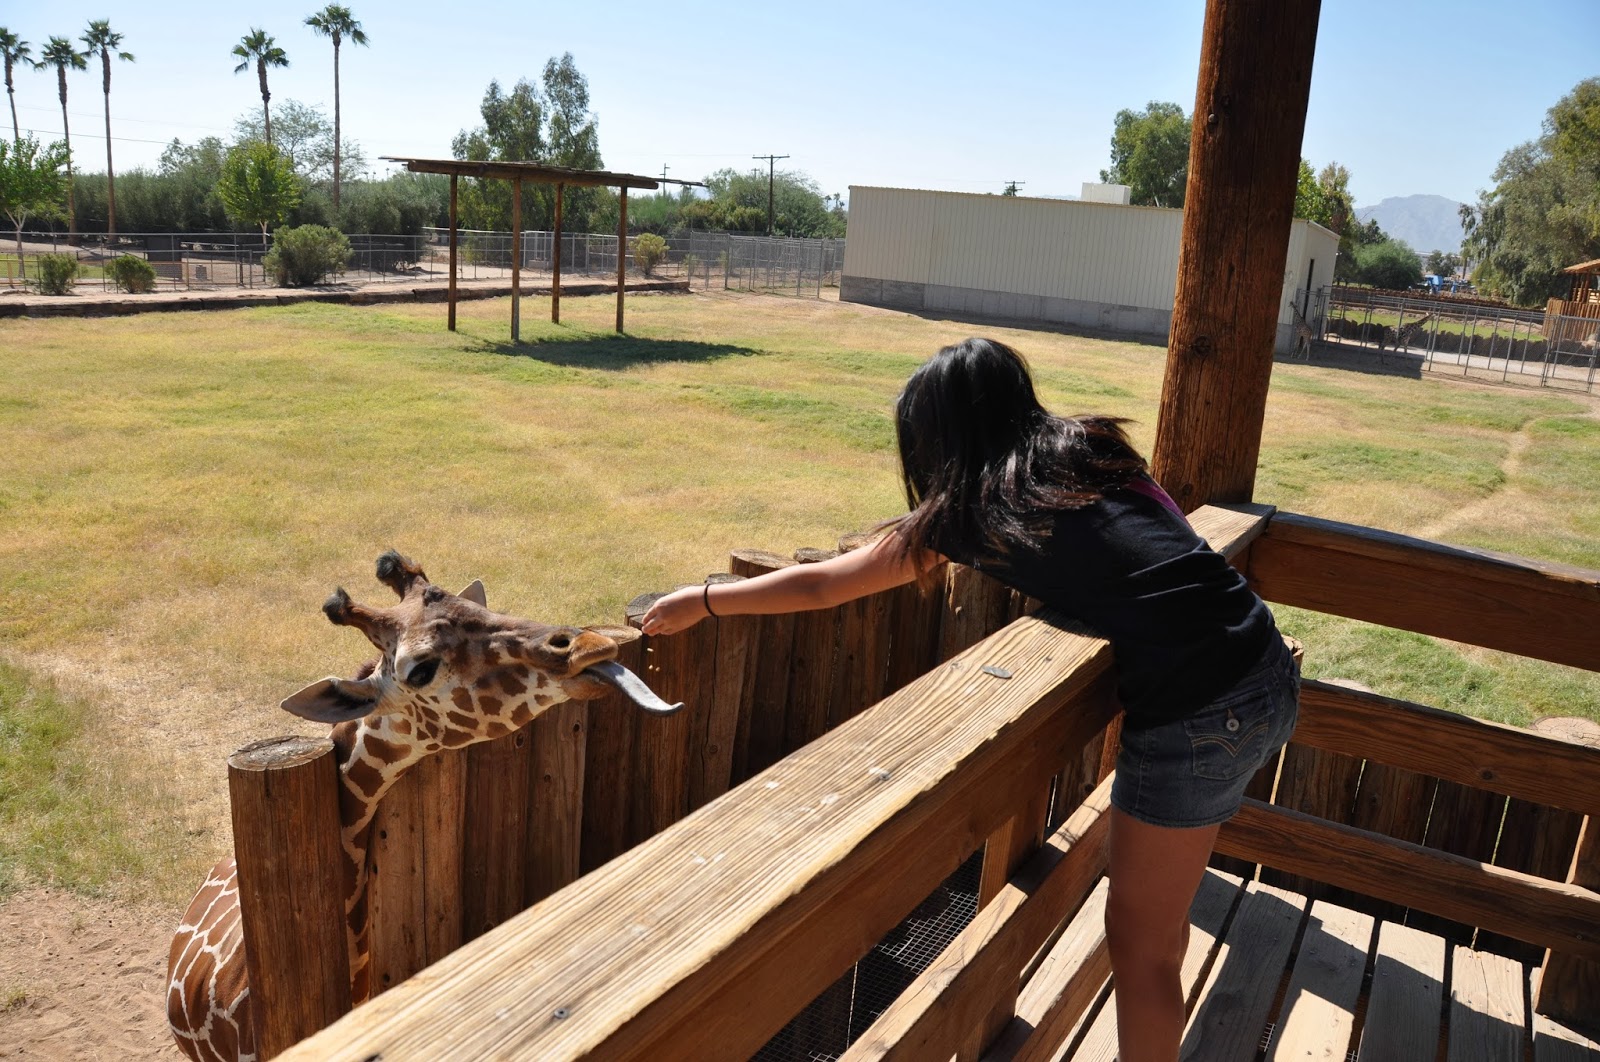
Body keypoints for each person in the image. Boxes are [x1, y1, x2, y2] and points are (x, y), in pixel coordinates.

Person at [641, 337, 1300, 1062]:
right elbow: (1156, 540)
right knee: (1159, 929)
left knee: (1137, 950)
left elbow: (828, 584)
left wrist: (705, 601)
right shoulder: (1090, 447)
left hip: (1200, 711)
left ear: (937, 439)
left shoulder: (975, 510)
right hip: (1265, 667)